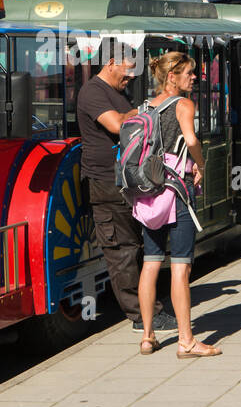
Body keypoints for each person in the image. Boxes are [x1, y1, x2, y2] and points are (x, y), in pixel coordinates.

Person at [75, 51, 176, 334]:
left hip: (125, 180)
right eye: (128, 69)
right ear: (110, 63)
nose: (131, 76)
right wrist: (143, 110)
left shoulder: (116, 91)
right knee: (122, 251)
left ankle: (148, 308)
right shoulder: (93, 92)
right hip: (105, 181)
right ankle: (142, 317)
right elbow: (117, 125)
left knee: (135, 247)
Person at [135, 52, 219, 358]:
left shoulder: (144, 108)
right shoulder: (184, 105)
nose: (194, 78)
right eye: (188, 73)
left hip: (148, 192)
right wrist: (201, 164)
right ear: (173, 77)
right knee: (181, 267)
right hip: (178, 190)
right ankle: (186, 341)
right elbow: (192, 140)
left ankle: (147, 336)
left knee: (150, 263)